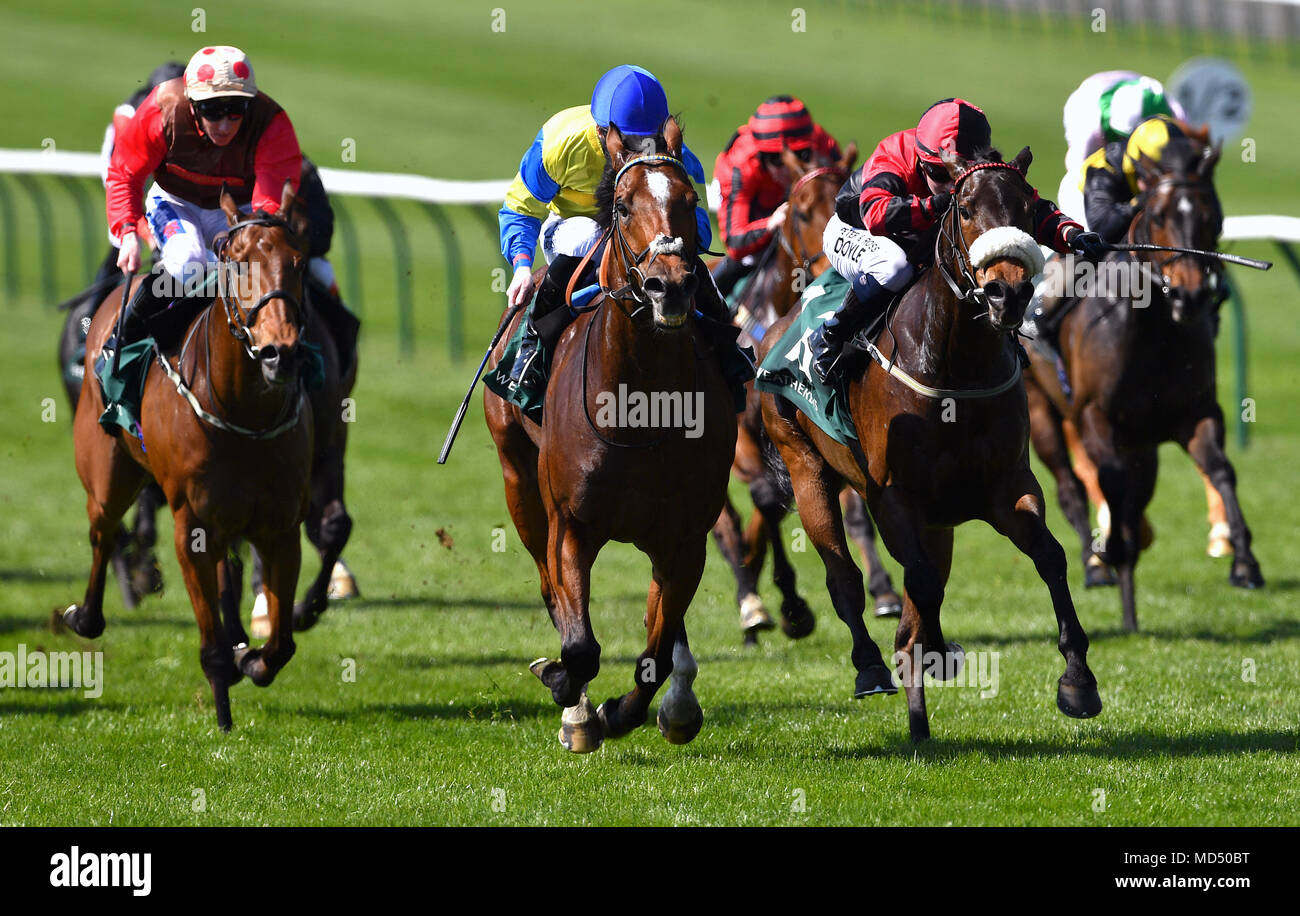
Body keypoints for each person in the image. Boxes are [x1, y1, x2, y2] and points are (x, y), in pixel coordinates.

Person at [497, 64, 752, 406]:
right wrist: (522, 265)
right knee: (586, 236)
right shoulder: (560, 141)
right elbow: (520, 208)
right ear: (602, 132)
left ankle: (728, 354)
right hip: (573, 228)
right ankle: (531, 348)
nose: (640, 151)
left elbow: (700, 231)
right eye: (630, 143)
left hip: (643, 241)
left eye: (649, 141)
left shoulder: (676, 157)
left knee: (690, 265)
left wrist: (675, 235)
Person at [807, 97, 1102, 383]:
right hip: (856, 229)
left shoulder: (984, 171)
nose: (950, 183)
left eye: (956, 172)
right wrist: (935, 205)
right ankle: (831, 335)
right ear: (923, 162)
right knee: (895, 268)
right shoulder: (894, 154)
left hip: (918, 232)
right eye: (939, 172)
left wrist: (1072, 235)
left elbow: (1030, 208)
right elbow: (875, 214)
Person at [105, 44, 303, 348]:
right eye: (212, 111)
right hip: (174, 202)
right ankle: (122, 337)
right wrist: (128, 231)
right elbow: (125, 174)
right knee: (188, 261)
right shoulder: (163, 110)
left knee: (258, 268)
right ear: (192, 102)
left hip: (234, 209)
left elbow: (268, 208)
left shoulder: (271, 122)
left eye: (235, 111)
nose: (224, 126)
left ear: (249, 106)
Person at [710, 96, 843, 298]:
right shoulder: (740, 165)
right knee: (746, 260)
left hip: (799, 209)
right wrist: (770, 224)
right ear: (761, 156)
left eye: (801, 156)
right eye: (776, 160)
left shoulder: (824, 147)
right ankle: (708, 307)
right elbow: (735, 242)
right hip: (759, 214)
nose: (789, 169)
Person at [1056, 71, 1186, 226]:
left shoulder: (1176, 114)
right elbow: (1076, 177)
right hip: (1090, 97)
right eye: (1123, 139)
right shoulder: (1088, 126)